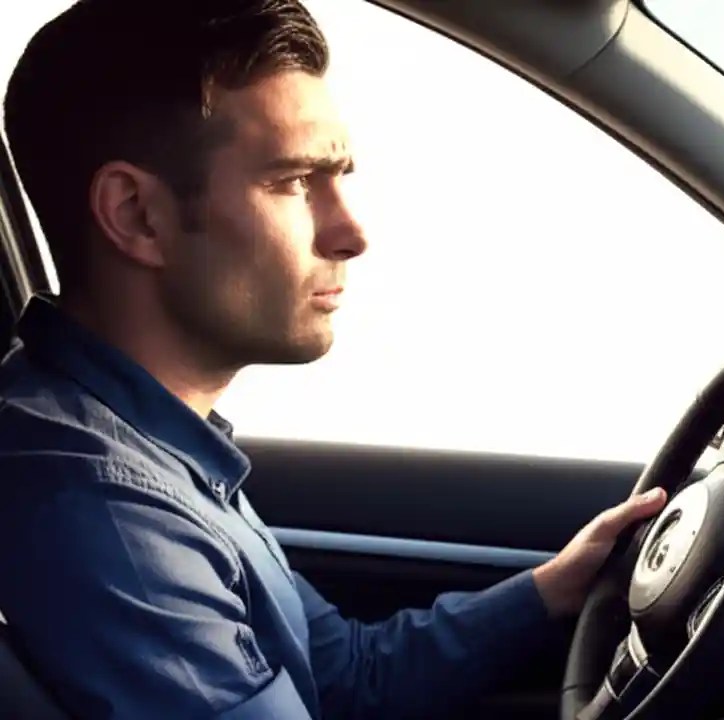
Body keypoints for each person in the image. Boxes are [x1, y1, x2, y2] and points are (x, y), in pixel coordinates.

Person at [0, 1, 671, 717]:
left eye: (340, 175)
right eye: (293, 180)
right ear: (136, 214)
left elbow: (342, 677)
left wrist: (555, 589)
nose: (351, 232)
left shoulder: (155, 447)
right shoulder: (102, 507)